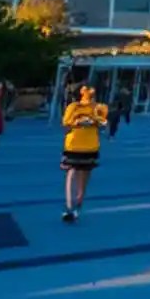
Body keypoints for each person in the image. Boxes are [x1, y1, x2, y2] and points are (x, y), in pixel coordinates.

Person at [60, 85, 108, 222]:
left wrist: (88, 122)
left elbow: (103, 124)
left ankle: (73, 205)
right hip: (81, 145)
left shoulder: (94, 107)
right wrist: (81, 122)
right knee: (78, 173)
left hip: (81, 145)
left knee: (76, 173)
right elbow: (65, 125)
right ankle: (73, 205)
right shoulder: (79, 107)